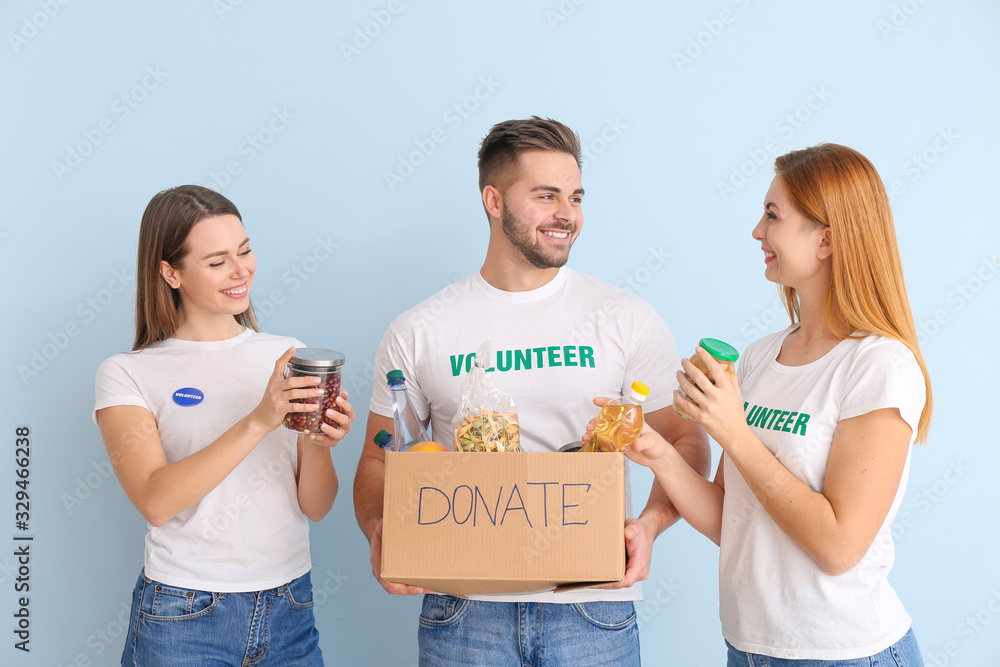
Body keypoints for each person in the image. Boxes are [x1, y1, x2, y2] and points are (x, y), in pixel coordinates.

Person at [353, 117, 710, 666]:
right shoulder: (419, 329)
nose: (567, 214)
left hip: (589, 604)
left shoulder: (624, 318)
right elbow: (379, 463)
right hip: (464, 606)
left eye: (575, 197)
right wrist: (381, 529)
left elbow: (685, 442)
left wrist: (650, 525)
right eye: (546, 196)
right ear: (493, 201)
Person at [606, 144, 932, 665]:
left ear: (826, 239)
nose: (757, 232)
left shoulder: (878, 367)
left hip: (844, 654)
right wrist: (656, 453)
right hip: (749, 650)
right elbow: (732, 520)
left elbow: (838, 547)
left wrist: (734, 431)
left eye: (772, 215)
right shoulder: (760, 357)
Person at [94, 185, 354, 666]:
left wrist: (318, 442)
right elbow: (155, 501)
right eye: (217, 262)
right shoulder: (128, 373)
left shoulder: (287, 355)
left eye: (245, 251)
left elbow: (316, 507)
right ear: (170, 272)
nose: (241, 272)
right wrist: (259, 419)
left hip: (289, 606)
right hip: (184, 615)